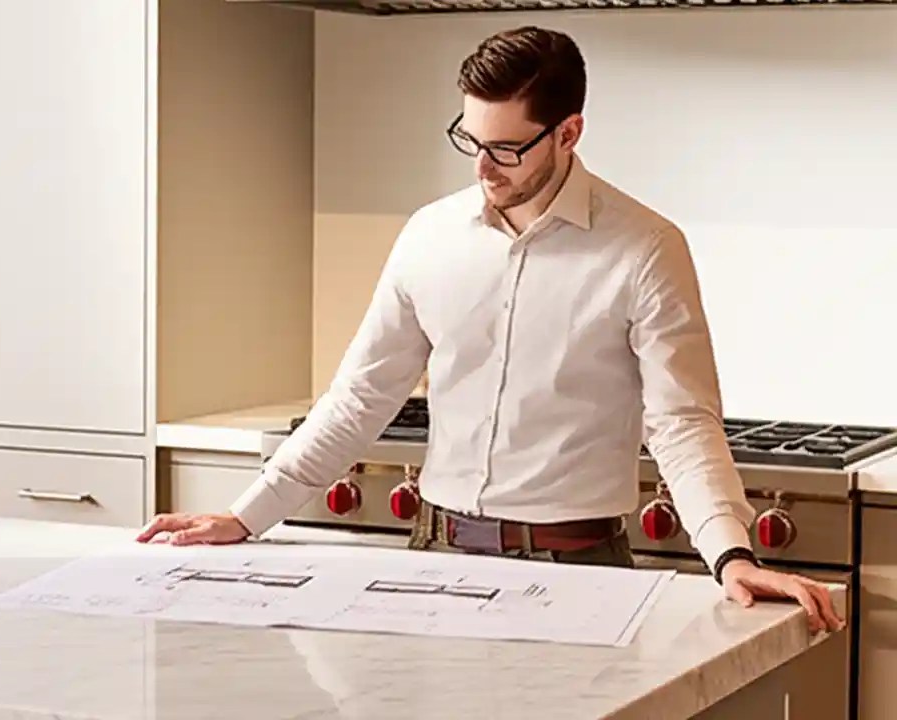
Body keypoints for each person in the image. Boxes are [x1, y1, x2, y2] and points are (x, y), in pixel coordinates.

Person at [137, 25, 843, 635]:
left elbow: (682, 422)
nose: (482, 166)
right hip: (434, 555)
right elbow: (361, 397)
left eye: (506, 148)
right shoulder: (429, 236)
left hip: (578, 569)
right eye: (470, 140)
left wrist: (730, 555)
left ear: (567, 133)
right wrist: (245, 517)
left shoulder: (645, 249)